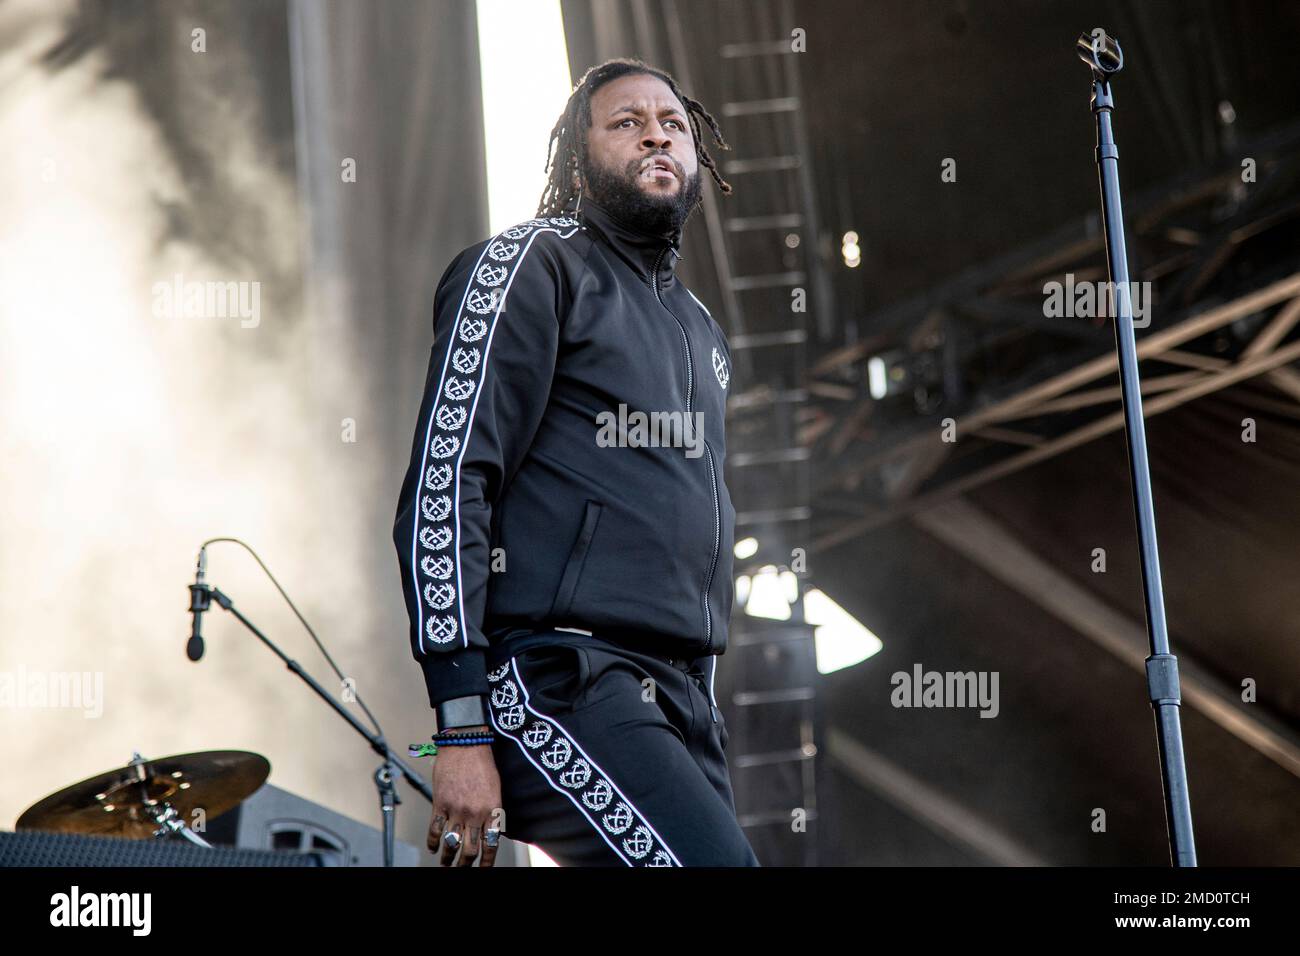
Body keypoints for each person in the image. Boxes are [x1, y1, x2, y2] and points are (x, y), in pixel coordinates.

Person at [392, 57, 758, 867]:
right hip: (557, 678)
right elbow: (449, 481)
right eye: (626, 122)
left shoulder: (700, 331)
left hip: (675, 698)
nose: (657, 133)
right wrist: (461, 722)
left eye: (673, 122)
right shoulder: (532, 263)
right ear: (578, 158)